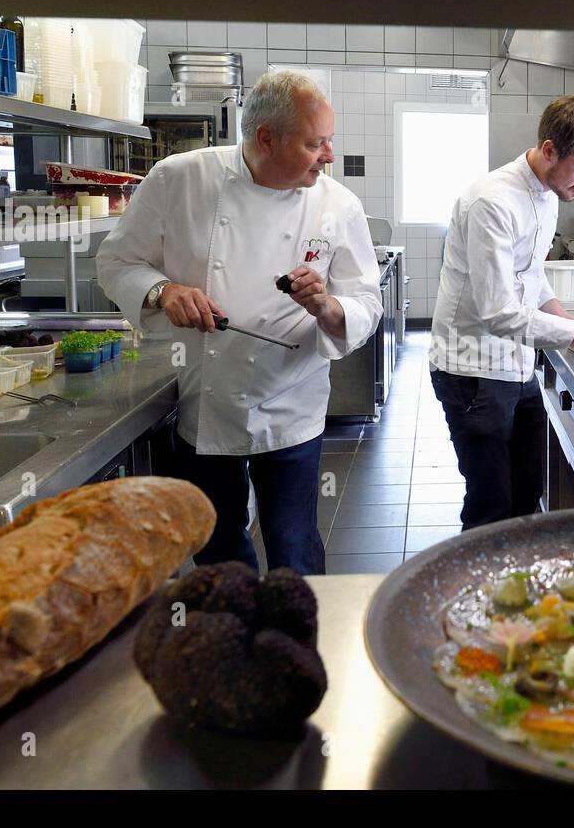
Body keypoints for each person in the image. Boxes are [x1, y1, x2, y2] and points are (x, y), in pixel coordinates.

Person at [97, 71, 382, 574]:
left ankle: (300, 641)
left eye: (329, 142)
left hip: (294, 403)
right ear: (266, 138)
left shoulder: (339, 205)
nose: (329, 156)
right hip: (207, 400)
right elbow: (117, 262)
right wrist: (164, 291)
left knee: (294, 546)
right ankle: (232, 640)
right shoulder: (179, 178)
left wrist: (327, 308)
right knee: (218, 546)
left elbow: (365, 299)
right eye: (316, 143)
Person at [429, 93, 574, 529]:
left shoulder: (548, 194)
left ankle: (515, 588)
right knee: (492, 504)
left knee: (528, 489)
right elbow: (498, 312)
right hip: (473, 370)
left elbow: (532, 278)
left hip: (515, 366)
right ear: (549, 150)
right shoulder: (491, 202)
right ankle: (481, 589)